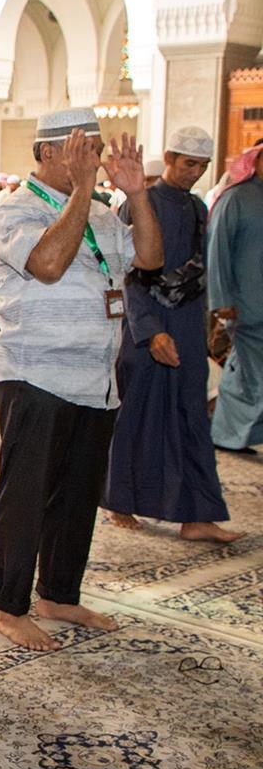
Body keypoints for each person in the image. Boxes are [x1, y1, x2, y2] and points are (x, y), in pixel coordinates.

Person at [0, 112, 161, 650]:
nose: (94, 159)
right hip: (35, 372)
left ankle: (58, 593)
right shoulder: (17, 209)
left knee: (78, 495)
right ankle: (9, 607)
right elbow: (47, 264)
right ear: (46, 153)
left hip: (95, 376)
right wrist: (84, 190)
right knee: (27, 495)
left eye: (97, 150)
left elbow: (151, 258)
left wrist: (137, 194)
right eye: (84, 149)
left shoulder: (105, 213)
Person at [103, 127, 240, 541]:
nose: (194, 173)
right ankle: (119, 500)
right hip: (145, 326)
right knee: (137, 416)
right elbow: (130, 276)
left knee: (191, 417)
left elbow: (199, 272)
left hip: (187, 322)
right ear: (169, 157)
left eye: (202, 166)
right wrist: (150, 332)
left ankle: (196, 515)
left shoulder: (199, 208)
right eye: (188, 164)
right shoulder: (139, 204)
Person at [208, 141, 263, 450]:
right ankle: (226, 434)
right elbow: (218, 252)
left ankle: (234, 434)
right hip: (244, 306)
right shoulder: (236, 198)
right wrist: (221, 303)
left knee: (246, 375)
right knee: (244, 373)